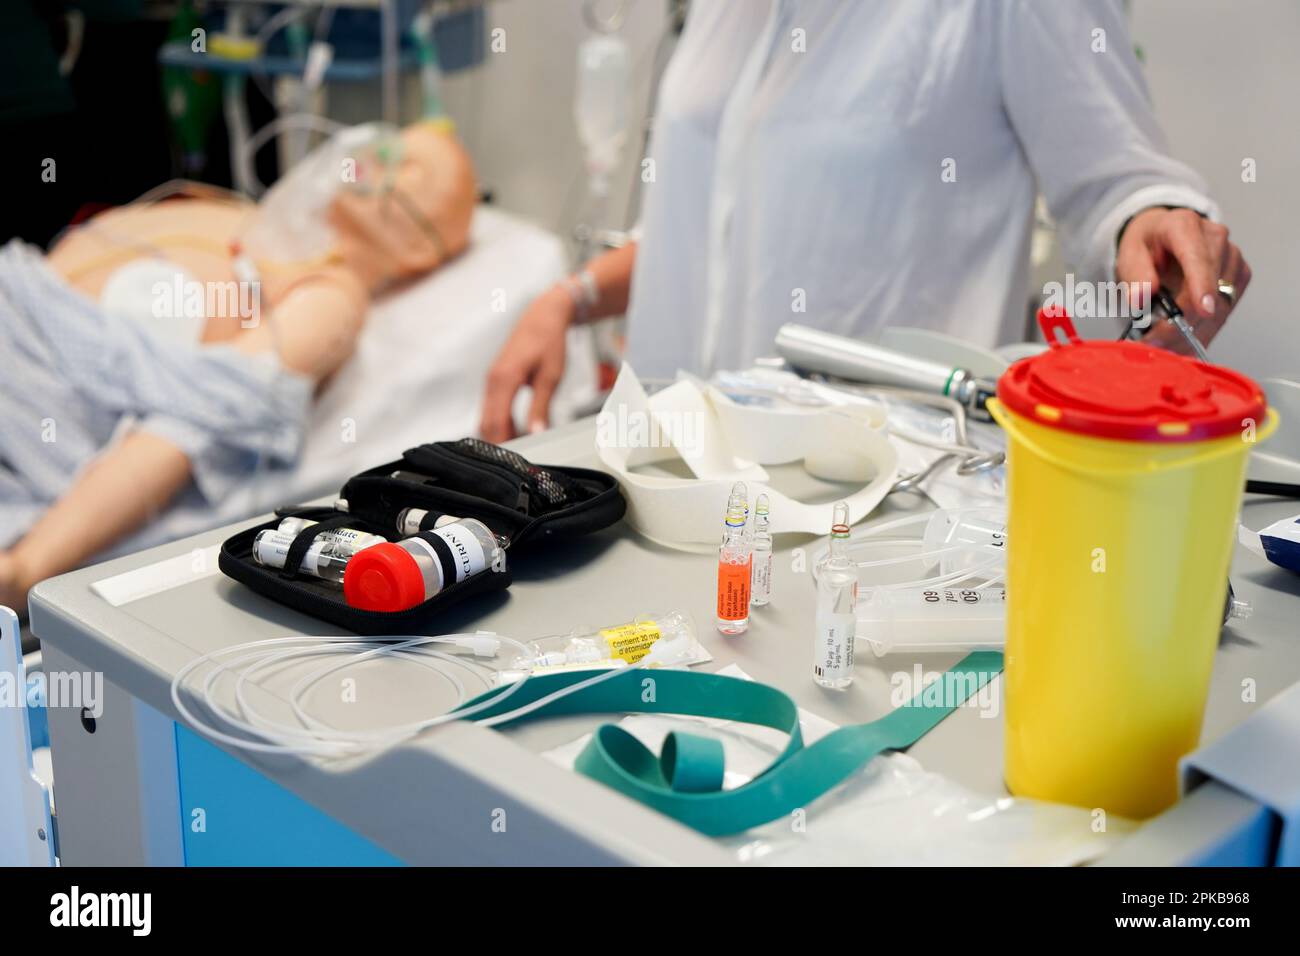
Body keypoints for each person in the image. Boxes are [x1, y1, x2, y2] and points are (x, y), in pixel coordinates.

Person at [481, 0, 1251, 443]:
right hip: (667, 478)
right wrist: (569, 298)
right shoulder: (732, 12)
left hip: (868, 516)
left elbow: (1118, 181)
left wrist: (1153, 220)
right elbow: (720, 224)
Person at [0, 120, 476, 614]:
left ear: (421, 246)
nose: (370, 153)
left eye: (405, 164)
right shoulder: (236, 211)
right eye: (385, 140)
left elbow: (203, 419)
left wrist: (29, 566)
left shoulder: (329, 293)